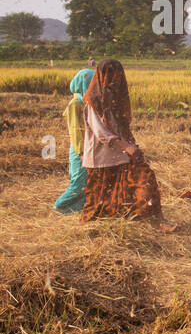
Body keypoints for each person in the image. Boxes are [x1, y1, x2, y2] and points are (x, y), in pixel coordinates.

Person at [80, 59, 175, 230]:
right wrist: (127, 146)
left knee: (145, 179)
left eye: (117, 74)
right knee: (98, 200)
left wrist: (132, 145)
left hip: (122, 155)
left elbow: (122, 126)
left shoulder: (117, 99)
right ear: (101, 76)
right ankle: (91, 227)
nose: (114, 78)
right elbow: (101, 133)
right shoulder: (93, 101)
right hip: (101, 157)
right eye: (110, 74)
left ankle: (157, 221)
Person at [52, 68, 95, 215]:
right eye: (91, 84)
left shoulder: (85, 101)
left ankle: (74, 210)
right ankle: (60, 206)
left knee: (86, 182)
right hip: (80, 150)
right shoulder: (76, 104)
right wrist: (82, 153)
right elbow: (76, 131)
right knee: (78, 184)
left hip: (87, 148)